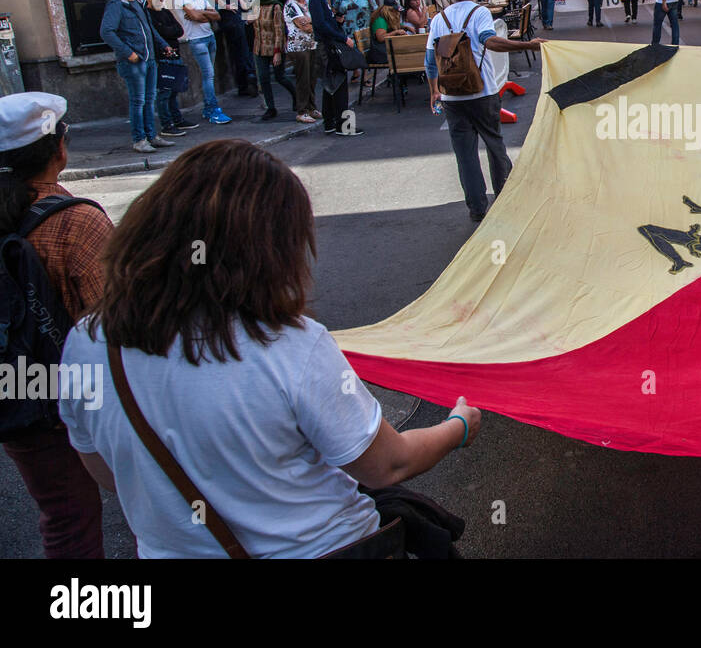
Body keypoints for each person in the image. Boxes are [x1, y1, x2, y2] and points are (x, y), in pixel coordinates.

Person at [58, 139, 483, 558]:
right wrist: (458, 428)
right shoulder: (288, 346)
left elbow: (108, 472)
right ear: (268, 251)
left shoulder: (86, 343)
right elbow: (387, 465)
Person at [1, 92, 113, 559]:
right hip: (79, 398)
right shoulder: (77, 223)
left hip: (16, 398)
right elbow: (119, 324)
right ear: (59, 150)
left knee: (64, 515)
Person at [426, 0, 545, 222]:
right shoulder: (479, 12)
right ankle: (505, 199)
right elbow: (490, 42)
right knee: (494, 144)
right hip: (483, 92)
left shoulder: (439, 19)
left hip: (452, 98)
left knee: (465, 154)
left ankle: (477, 208)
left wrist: (434, 91)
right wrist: (527, 44)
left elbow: (429, 60)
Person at [99, 0, 179, 153]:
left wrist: (163, 45)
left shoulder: (139, 3)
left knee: (150, 99)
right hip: (133, 61)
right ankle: (139, 139)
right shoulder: (115, 6)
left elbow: (150, 29)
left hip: (150, 59)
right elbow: (106, 32)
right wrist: (128, 53)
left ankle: (151, 136)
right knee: (138, 101)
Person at [174, 0, 230, 125]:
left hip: (209, 37)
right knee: (208, 75)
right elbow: (194, 16)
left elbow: (217, 15)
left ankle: (207, 109)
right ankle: (213, 110)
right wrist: (205, 14)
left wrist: (203, 14)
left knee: (209, 76)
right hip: (196, 40)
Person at [309, 0, 361, 136]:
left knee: (330, 86)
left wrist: (337, 21)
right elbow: (321, 26)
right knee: (338, 86)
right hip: (328, 47)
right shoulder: (316, 0)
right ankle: (343, 126)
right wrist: (343, 38)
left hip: (330, 45)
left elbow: (327, 23)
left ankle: (330, 123)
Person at [144, 0, 194, 137]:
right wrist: (167, 31)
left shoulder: (165, 12)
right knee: (164, 93)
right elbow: (157, 32)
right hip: (162, 57)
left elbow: (179, 30)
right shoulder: (147, 14)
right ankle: (167, 124)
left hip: (175, 54)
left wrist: (167, 30)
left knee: (174, 90)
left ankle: (177, 119)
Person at [209, 0, 258, 98]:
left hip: (241, 20)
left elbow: (246, 2)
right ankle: (246, 83)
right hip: (230, 21)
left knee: (245, 52)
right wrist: (224, 5)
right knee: (241, 53)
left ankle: (247, 82)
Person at [250, 0, 297, 121]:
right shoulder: (253, 5)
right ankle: (271, 108)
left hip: (274, 46)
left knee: (280, 77)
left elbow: (279, 30)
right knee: (263, 78)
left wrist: (277, 52)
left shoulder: (275, 6)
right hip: (259, 47)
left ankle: (297, 96)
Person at [282, 0, 318, 124]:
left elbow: (324, 17)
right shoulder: (290, 5)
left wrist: (313, 21)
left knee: (312, 78)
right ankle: (301, 110)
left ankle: (311, 107)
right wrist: (314, 21)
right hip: (298, 47)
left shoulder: (310, 3)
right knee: (302, 78)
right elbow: (305, 26)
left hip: (312, 45)